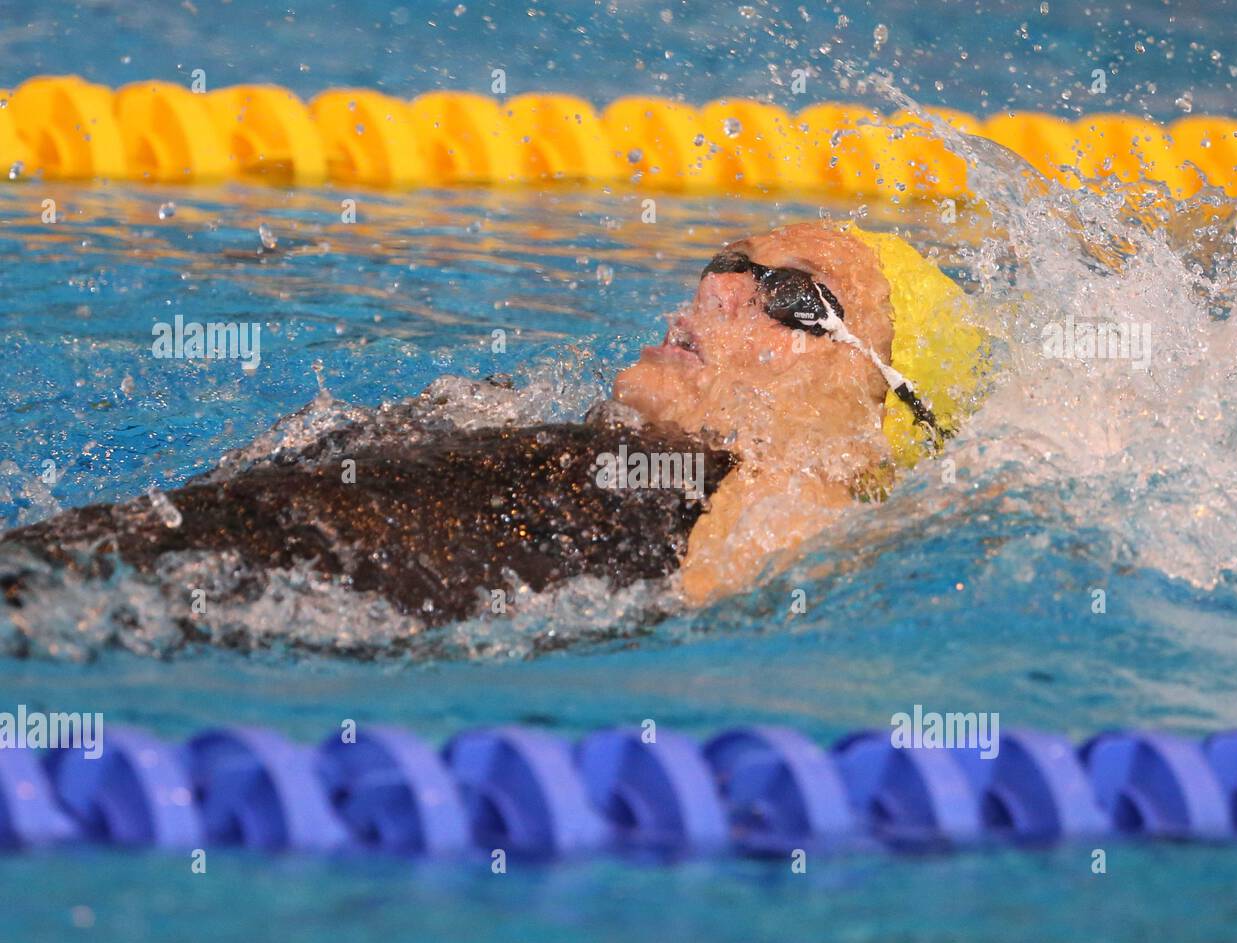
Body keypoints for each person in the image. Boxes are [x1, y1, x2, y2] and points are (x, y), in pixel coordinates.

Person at [0, 221, 974, 635]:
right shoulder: (500, 407)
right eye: (729, 259)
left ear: (874, 406)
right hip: (123, 568)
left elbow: (739, 594)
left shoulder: (776, 497)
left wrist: (852, 466)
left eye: (792, 298)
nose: (717, 289)